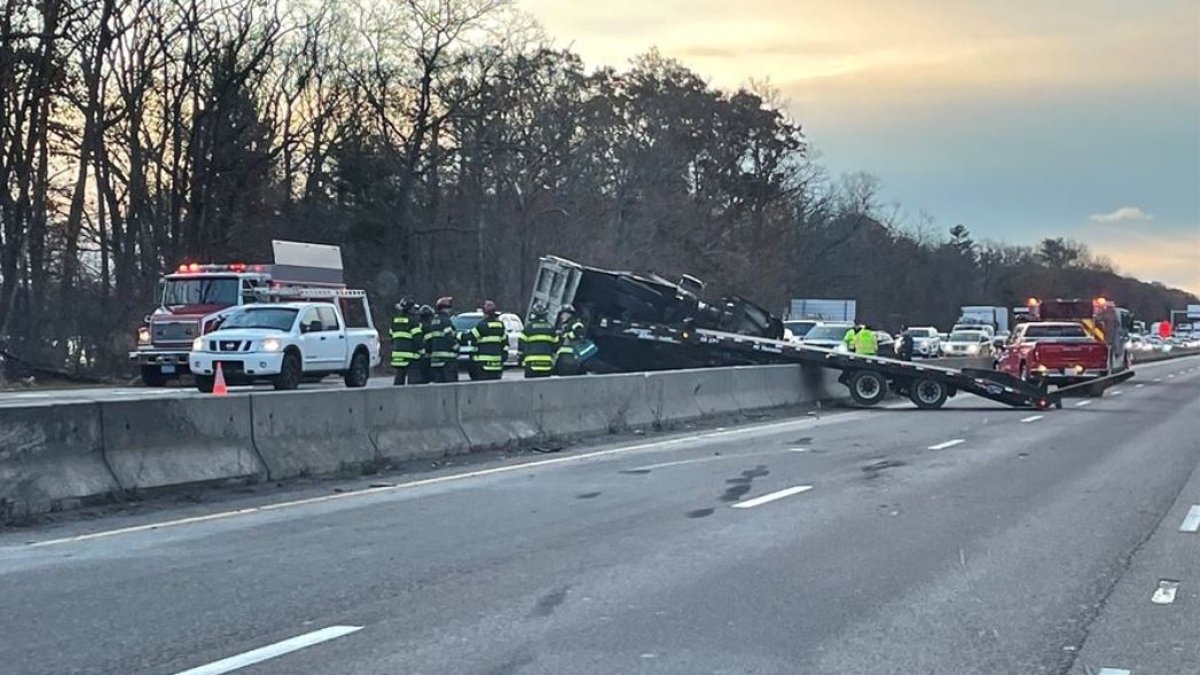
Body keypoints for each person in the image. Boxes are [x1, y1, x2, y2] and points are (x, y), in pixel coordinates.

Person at [468, 300, 507, 381]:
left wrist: (456, 335)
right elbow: (505, 343)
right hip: (497, 366)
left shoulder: (482, 326)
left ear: (485, 313)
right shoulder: (500, 326)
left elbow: (470, 336)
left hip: (483, 365)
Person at [389, 297, 424, 385]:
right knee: (414, 380)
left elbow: (391, 336)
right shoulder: (413, 321)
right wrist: (422, 350)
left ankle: (397, 396)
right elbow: (417, 339)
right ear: (409, 309)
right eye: (413, 308)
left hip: (397, 355)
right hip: (411, 356)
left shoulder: (395, 321)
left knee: (399, 377)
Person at [519, 303, 558, 378]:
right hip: (547, 364)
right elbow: (555, 346)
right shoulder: (551, 328)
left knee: (531, 388)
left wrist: (522, 358)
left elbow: (521, 345)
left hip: (531, 363)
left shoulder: (528, 328)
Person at [425, 296, 459, 383]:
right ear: (445, 309)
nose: (450, 310)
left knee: (439, 387)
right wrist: (457, 348)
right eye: (449, 308)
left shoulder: (433, 322)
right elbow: (449, 338)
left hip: (435, 360)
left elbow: (428, 340)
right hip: (448, 360)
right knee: (451, 386)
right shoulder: (446, 321)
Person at [555, 305, 587, 376]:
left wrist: (565, 335)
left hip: (571, 359)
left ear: (569, 314)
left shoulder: (575, 323)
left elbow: (579, 333)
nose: (562, 317)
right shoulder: (563, 327)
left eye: (563, 314)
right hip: (563, 359)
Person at [413, 304, 435, 383]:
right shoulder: (429, 328)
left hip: (418, 358)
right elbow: (431, 343)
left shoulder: (417, 325)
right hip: (428, 358)